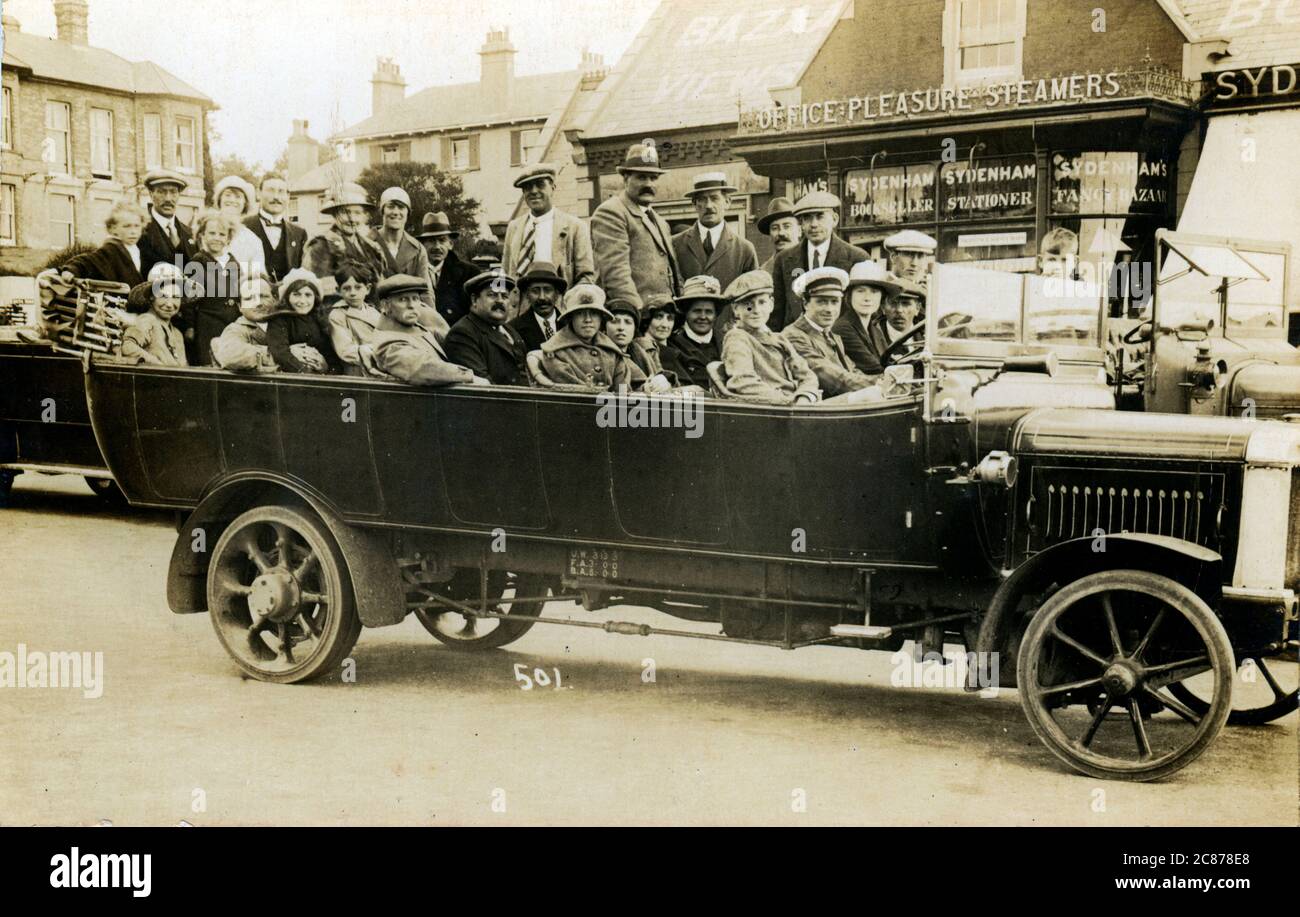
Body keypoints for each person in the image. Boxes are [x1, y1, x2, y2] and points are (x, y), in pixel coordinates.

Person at [591, 142, 681, 317]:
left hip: (663, 319)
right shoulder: (612, 212)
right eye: (641, 177)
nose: (648, 184)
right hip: (636, 318)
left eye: (653, 178)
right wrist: (638, 318)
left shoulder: (660, 222)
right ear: (625, 179)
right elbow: (617, 276)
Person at [769, 191, 870, 331]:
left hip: (841, 344)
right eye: (807, 218)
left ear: (835, 219)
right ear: (801, 224)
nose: (813, 224)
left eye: (820, 217)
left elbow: (864, 312)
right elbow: (777, 313)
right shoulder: (784, 259)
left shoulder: (857, 257)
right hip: (795, 343)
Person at [719, 270, 820, 405]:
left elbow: (807, 375)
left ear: (771, 304)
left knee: (857, 398)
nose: (756, 310)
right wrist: (789, 402)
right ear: (736, 309)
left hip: (798, 406)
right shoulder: (737, 338)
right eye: (748, 304)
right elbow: (743, 381)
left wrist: (805, 396)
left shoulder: (779, 339)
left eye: (762, 302)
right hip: (775, 409)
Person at [369, 274, 485, 386]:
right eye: (403, 300)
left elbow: (450, 339)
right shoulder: (388, 343)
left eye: (415, 299)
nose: (412, 305)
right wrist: (469, 376)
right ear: (386, 305)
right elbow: (421, 368)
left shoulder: (413, 327)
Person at [781, 266, 879, 397]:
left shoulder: (830, 334)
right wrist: (881, 383)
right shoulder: (794, 336)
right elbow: (833, 379)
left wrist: (884, 380)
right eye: (822, 302)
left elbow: (852, 371)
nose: (829, 309)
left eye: (834, 302)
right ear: (805, 303)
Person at [535, 284, 646, 391]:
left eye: (593, 313)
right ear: (570, 318)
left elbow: (623, 390)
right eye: (580, 313)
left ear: (601, 318)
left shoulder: (612, 352)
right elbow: (572, 394)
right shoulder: (555, 352)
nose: (588, 319)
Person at [502, 163, 596, 286]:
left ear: (553, 187)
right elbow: (504, 275)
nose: (534, 191)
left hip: (560, 303)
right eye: (528, 187)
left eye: (540, 185)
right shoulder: (514, 227)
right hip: (521, 303)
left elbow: (586, 276)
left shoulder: (575, 227)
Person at [672, 172, 758, 300]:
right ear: (694, 205)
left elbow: (752, 297)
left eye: (714, 198)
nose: (708, 206)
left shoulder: (744, 249)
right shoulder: (674, 244)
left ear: (728, 202)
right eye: (701, 199)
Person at [444, 268, 530, 386]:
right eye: (492, 295)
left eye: (504, 296)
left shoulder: (508, 330)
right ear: (474, 300)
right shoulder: (462, 334)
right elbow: (483, 387)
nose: (500, 301)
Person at [303, 183, 387, 299]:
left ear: (364, 216)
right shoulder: (321, 246)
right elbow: (319, 293)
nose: (351, 219)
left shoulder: (372, 247)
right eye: (345, 212)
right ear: (335, 214)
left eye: (357, 213)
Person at [182, 210, 243, 366]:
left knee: (229, 359)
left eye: (222, 234)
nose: (217, 238)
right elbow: (189, 298)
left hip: (231, 321)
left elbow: (239, 290)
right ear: (202, 235)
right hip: (207, 323)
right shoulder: (198, 261)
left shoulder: (233, 262)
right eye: (212, 233)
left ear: (229, 238)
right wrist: (189, 326)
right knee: (209, 360)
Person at [57, 201, 147, 289]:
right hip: (122, 300)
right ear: (113, 229)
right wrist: (71, 269)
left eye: (137, 226)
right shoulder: (110, 250)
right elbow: (87, 261)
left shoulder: (138, 248)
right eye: (127, 226)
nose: (133, 231)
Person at [266, 268, 340, 374]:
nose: (302, 301)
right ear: (287, 297)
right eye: (296, 294)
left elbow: (331, 355)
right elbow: (280, 352)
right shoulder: (279, 319)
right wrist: (304, 372)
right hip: (292, 376)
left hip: (319, 376)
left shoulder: (318, 319)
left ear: (315, 298)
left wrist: (326, 368)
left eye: (308, 295)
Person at [834, 260, 900, 375]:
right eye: (860, 291)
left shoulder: (875, 329)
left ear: (882, 298)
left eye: (874, 292)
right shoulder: (842, 328)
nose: (867, 298)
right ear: (849, 296)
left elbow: (887, 360)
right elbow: (873, 367)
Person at [661, 275, 726, 390]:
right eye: (697, 311)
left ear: (716, 315)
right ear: (685, 312)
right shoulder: (671, 345)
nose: (703, 317)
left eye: (709, 312)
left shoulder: (727, 342)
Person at [211, 271, 283, 374]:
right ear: (240, 306)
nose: (258, 303)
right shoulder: (235, 329)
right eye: (249, 298)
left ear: (275, 299)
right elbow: (231, 355)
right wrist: (282, 354)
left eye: (263, 296)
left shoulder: (284, 324)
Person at [244, 173, 306, 283]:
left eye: (281, 192)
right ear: (258, 194)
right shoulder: (243, 227)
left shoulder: (299, 233)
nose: (276, 197)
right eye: (271, 190)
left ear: (288, 197)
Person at [327, 260, 385, 377]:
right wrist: (375, 350)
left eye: (358, 287)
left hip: (380, 365)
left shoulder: (374, 312)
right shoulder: (338, 315)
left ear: (368, 289)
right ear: (338, 290)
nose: (353, 293)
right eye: (346, 288)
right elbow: (345, 351)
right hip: (357, 371)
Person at [418, 210, 476, 326]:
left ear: (450, 244)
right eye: (431, 241)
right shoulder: (413, 272)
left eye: (442, 240)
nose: (437, 246)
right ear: (422, 245)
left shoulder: (469, 273)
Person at [137, 169, 197, 277]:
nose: (168, 198)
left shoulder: (189, 233)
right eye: (161, 192)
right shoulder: (139, 231)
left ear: (179, 195)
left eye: (173, 192)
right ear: (151, 194)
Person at [604, 301, 673, 392]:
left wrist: (664, 383)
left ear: (634, 328)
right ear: (604, 327)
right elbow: (618, 391)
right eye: (615, 321)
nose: (621, 327)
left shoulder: (645, 350)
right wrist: (643, 389)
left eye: (628, 322)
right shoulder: (602, 354)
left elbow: (661, 375)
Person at [121, 278, 187, 367]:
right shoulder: (147, 320)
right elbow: (128, 347)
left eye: (175, 297)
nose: (169, 304)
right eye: (163, 296)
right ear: (152, 297)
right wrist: (158, 365)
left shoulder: (177, 334)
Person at [374, 187, 430, 282]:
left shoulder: (418, 249)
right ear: (382, 210)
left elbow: (426, 290)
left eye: (401, 207)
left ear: (408, 213)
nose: (395, 212)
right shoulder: (365, 243)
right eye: (391, 206)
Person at [509, 262, 567, 353]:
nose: (542, 297)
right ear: (527, 295)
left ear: (556, 294)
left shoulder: (569, 325)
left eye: (547, 290)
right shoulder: (513, 329)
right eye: (535, 291)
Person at [868, 280, 927, 368]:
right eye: (893, 303)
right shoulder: (870, 337)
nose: (899, 310)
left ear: (917, 308)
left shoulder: (927, 337)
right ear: (883, 308)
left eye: (906, 304)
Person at [213, 175, 264, 273]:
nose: (232, 200)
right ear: (220, 200)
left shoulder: (252, 240)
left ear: (245, 203)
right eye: (227, 195)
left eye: (238, 197)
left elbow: (256, 280)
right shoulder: (204, 232)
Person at [757, 196, 800, 273]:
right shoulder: (763, 273)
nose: (781, 233)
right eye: (775, 228)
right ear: (770, 234)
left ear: (799, 230)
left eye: (787, 226)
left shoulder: (813, 263)